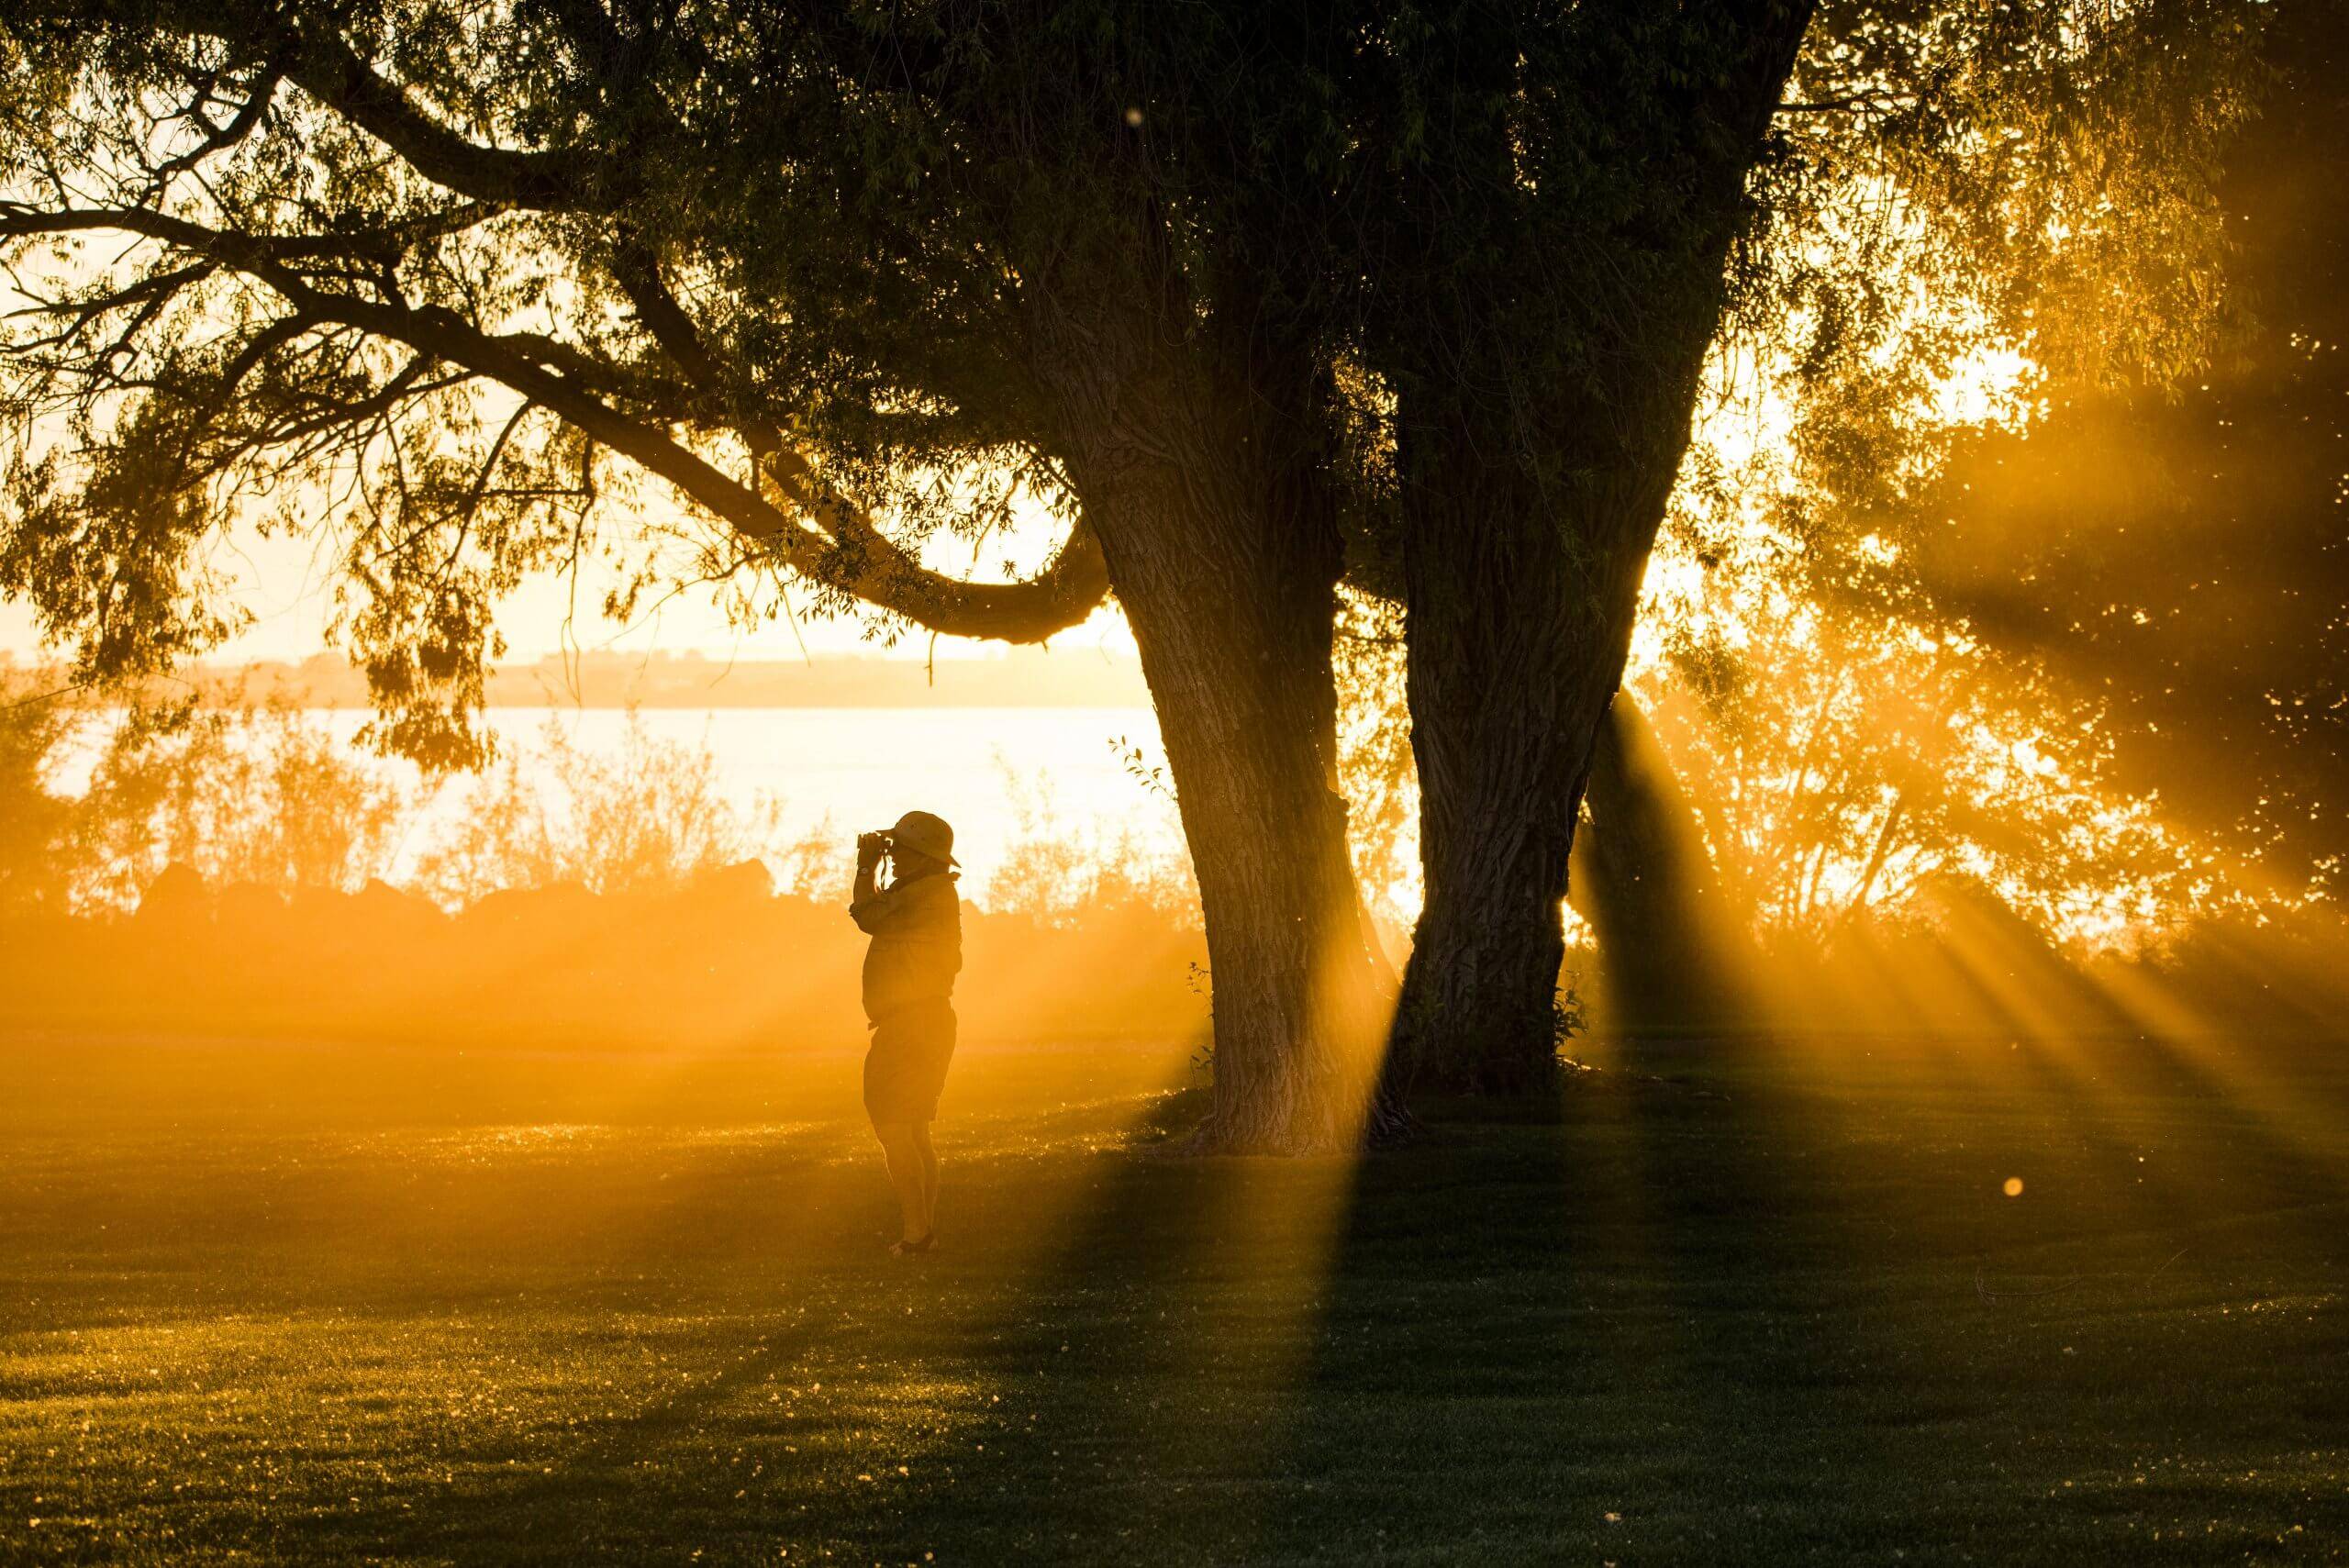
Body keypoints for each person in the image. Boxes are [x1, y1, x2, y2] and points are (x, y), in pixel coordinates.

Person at [850, 809, 963, 1256]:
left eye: (901, 849)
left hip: (910, 1025)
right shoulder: (928, 891)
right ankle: (924, 1232)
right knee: (914, 1130)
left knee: (896, 1126)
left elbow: (868, 915)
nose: (893, 857)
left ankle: (917, 1235)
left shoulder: (924, 895)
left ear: (923, 857)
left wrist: (864, 867)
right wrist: (876, 868)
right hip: (925, 1022)